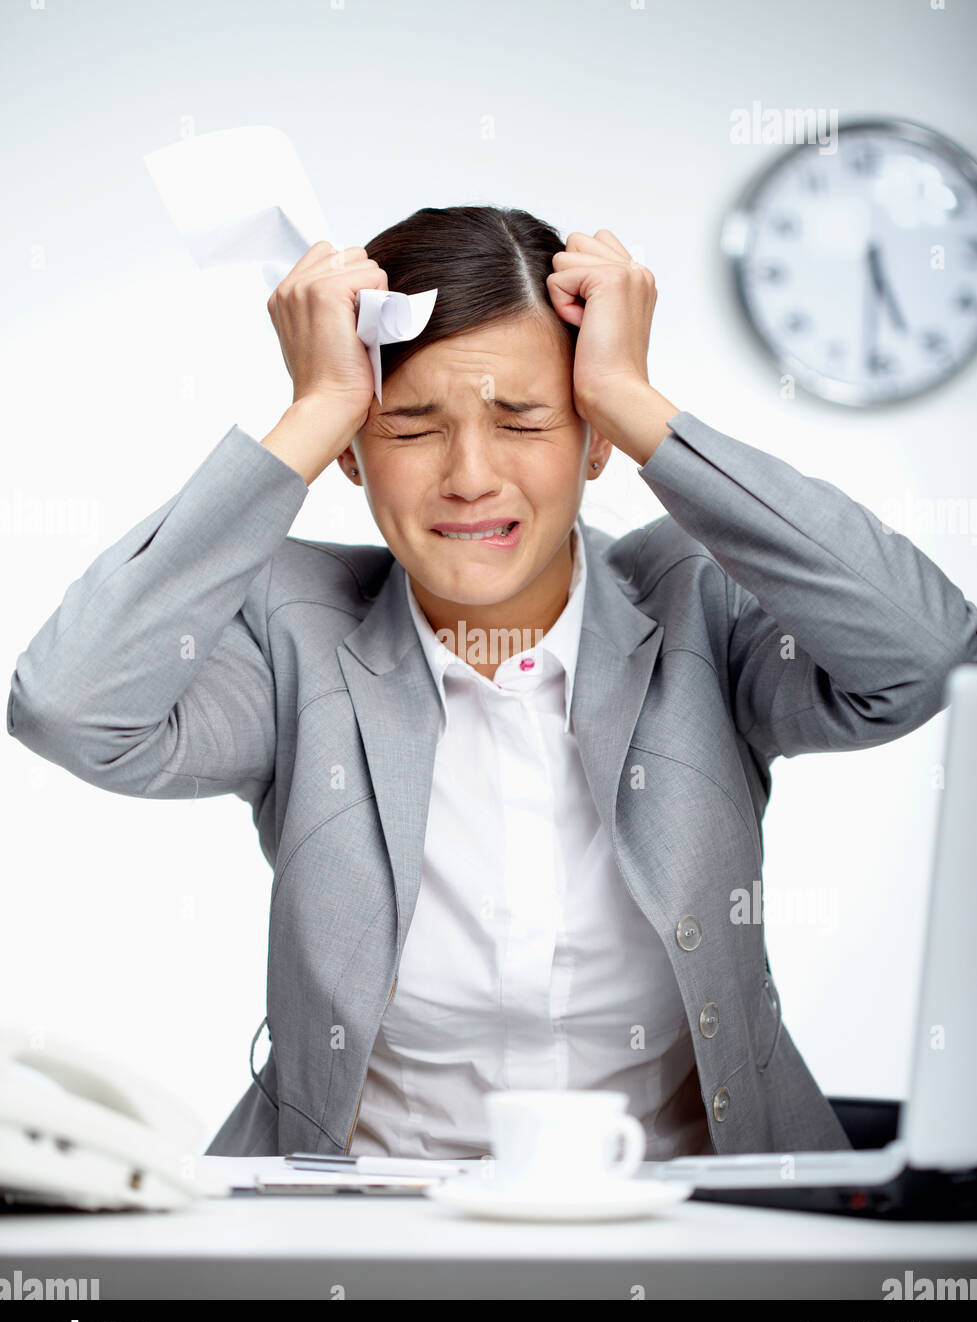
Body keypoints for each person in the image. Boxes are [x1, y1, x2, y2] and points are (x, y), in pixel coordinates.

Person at [8, 208, 977, 1161]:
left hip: (687, 1230)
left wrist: (633, 401)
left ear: (594, 441)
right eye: (409, 428)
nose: (469, 477)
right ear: (352, 451)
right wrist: (309, 411)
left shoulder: (697, 602)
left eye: (524, 420)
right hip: (362, 1239)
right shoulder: (291, 630)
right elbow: (68, 707)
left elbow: (923, 652)